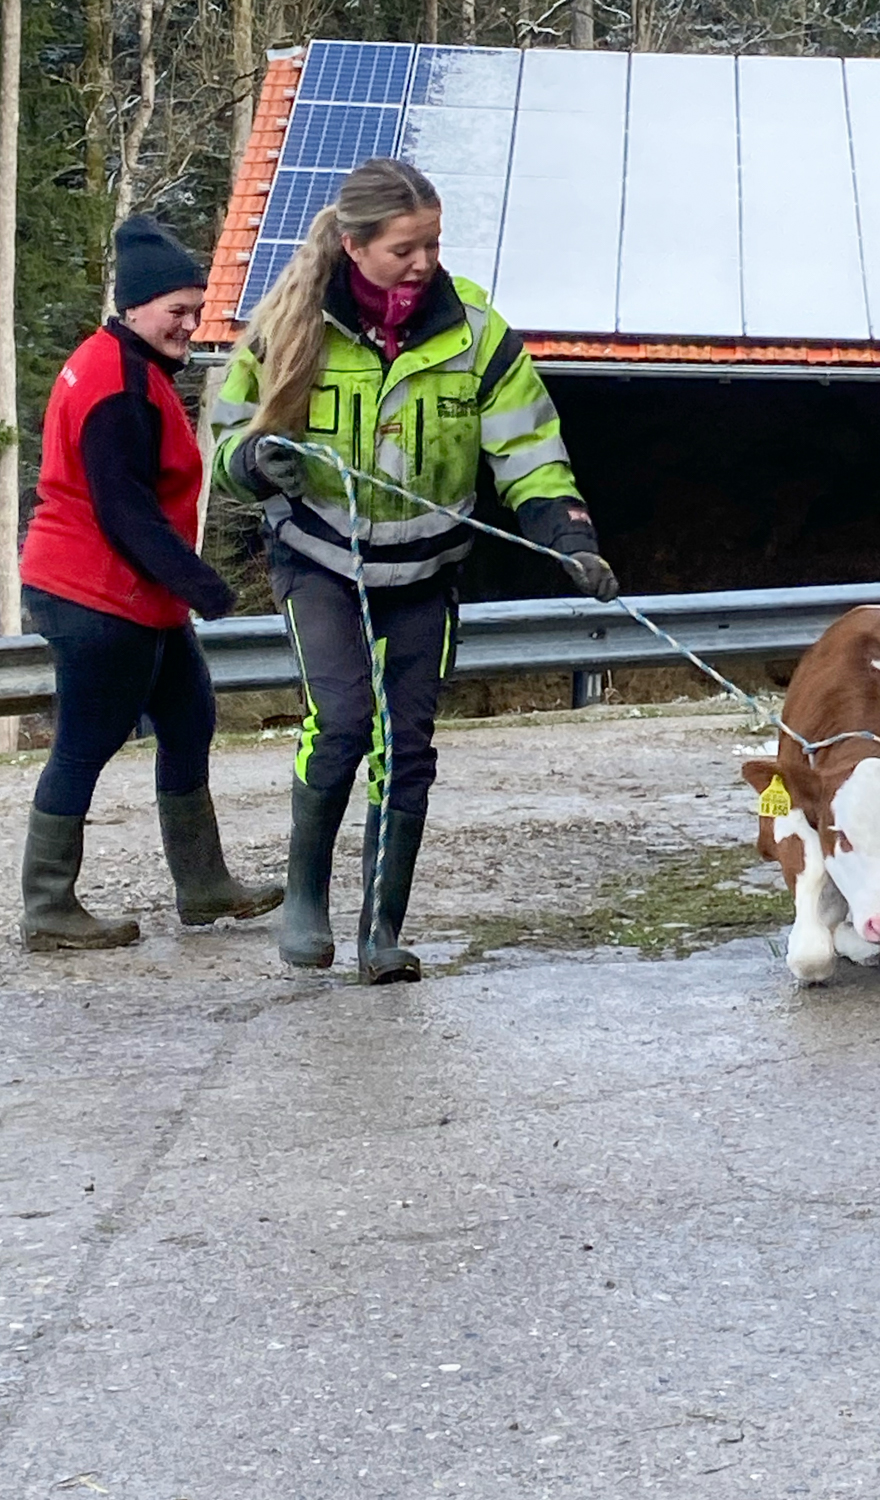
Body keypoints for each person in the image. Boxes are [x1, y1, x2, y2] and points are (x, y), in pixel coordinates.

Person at [211, 157, 618, 985]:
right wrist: (255, 459)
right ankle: (305, 900)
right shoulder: (289, 322)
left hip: (426, 570)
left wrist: (568, 533)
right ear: (355, 245)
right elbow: (219, 441)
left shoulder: (476, 329)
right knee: (343, 722)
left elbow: (529, 451)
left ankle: (381, 930)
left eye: (432, 243)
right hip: (321, 562)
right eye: (405, 247)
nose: (424, 261)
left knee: (409, 745)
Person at [18, 215, 284, 951]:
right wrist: (203, 584)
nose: (191, 325)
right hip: (95, 592)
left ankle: (203, 887)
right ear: (136, 307)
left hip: (138, 594)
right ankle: (48, 907)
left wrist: (180, 589)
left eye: (196, 311)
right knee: (85, 740)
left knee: (190, 717)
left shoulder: (126, 363)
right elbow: (122, 508)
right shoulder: (114, 384)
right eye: (178, 312)